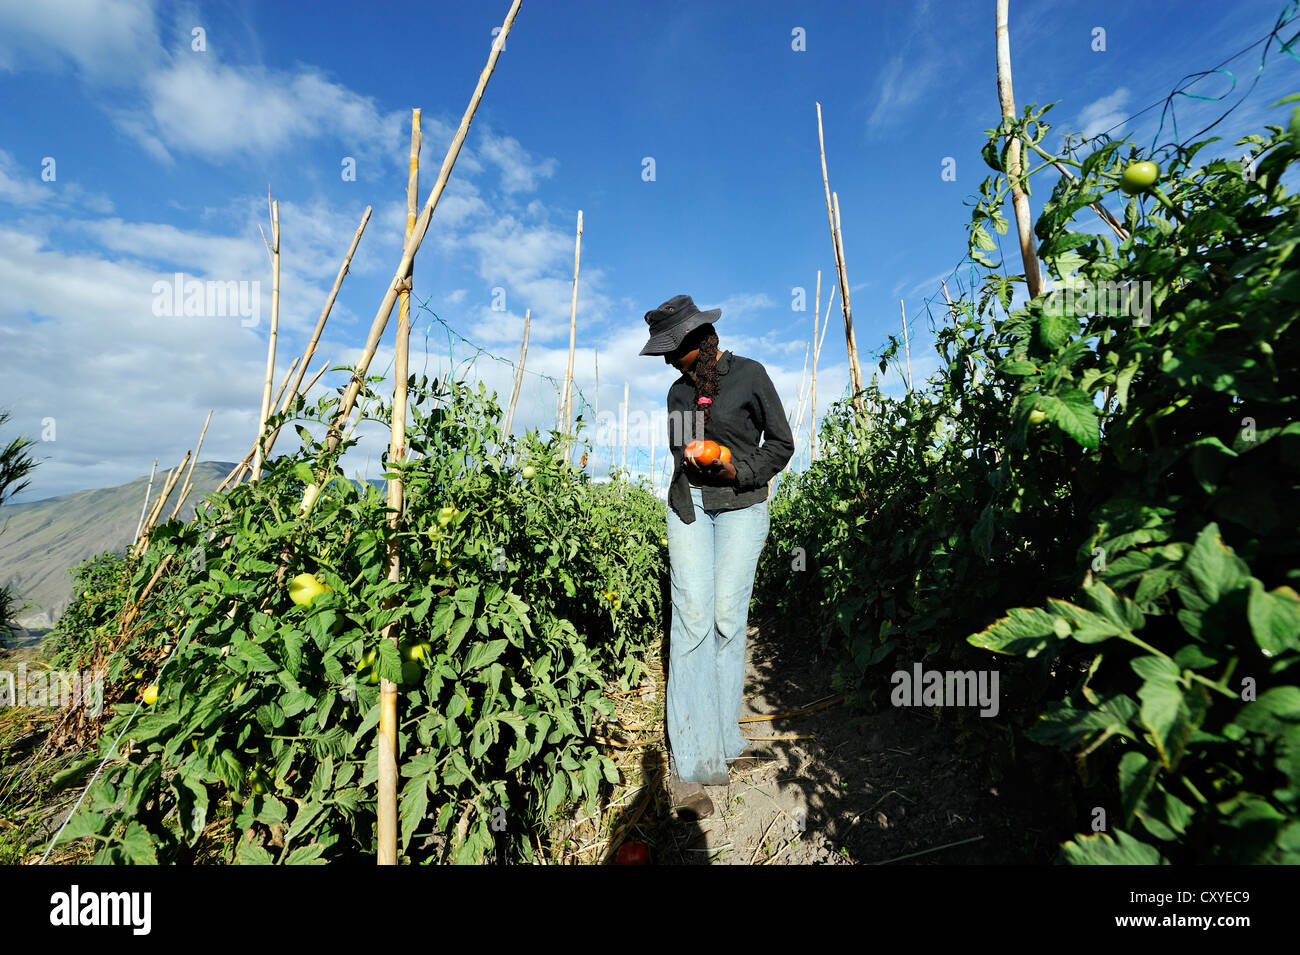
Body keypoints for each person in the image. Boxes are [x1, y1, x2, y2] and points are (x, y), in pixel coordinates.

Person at [639, 294, 795, 820]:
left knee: (729, 621)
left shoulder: (751, 375)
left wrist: (736, 469)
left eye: (671, 351)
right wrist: (697, 455)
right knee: (692, 621)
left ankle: (725, 741)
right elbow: (681, 452)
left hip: (744, 507)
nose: (666, 360)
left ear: (694, 340)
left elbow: (781, 444)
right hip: (691, 507)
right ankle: (689, 763)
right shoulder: (678, 393)